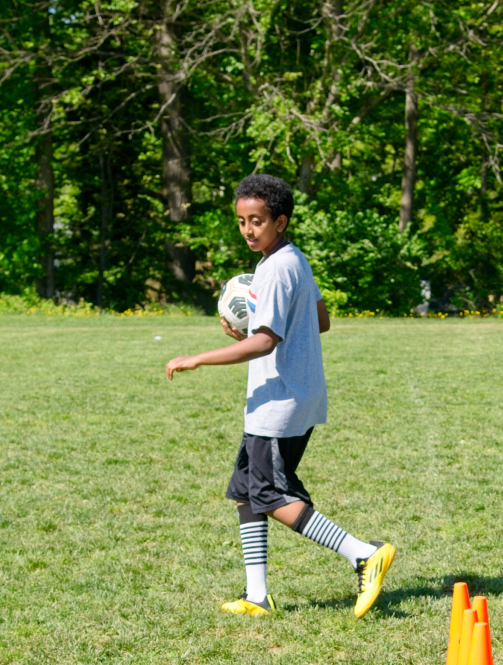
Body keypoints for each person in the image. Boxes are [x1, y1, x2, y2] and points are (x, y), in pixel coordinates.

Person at [166, 174, 396, 618]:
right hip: (295, 395)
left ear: (281, 220)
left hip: (280, 402)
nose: (248, 230)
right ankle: (258, 596)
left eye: (257, 221)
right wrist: (247, 331)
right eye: (241, 221)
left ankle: (362, 553)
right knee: (246, 493)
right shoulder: (295, 260)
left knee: (271, 494)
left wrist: (199, 357)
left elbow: (266, 341)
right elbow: (320, 321)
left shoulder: (273, 270)